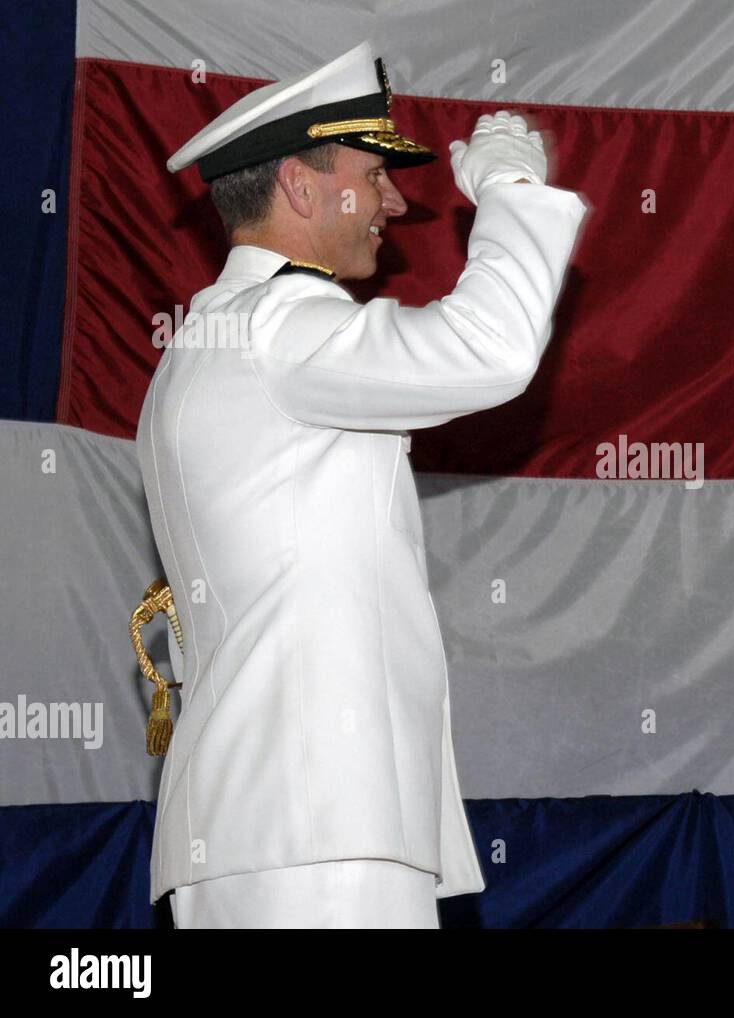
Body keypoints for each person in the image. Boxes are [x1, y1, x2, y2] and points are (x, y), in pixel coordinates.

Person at [136, 41, 587, 928]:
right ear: (301, 189)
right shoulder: (283, 325)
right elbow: (490, 351)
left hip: (251, 832)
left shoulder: (201, 343)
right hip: (320, 836)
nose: (398, 200)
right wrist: (512, 195)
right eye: (375, 173)